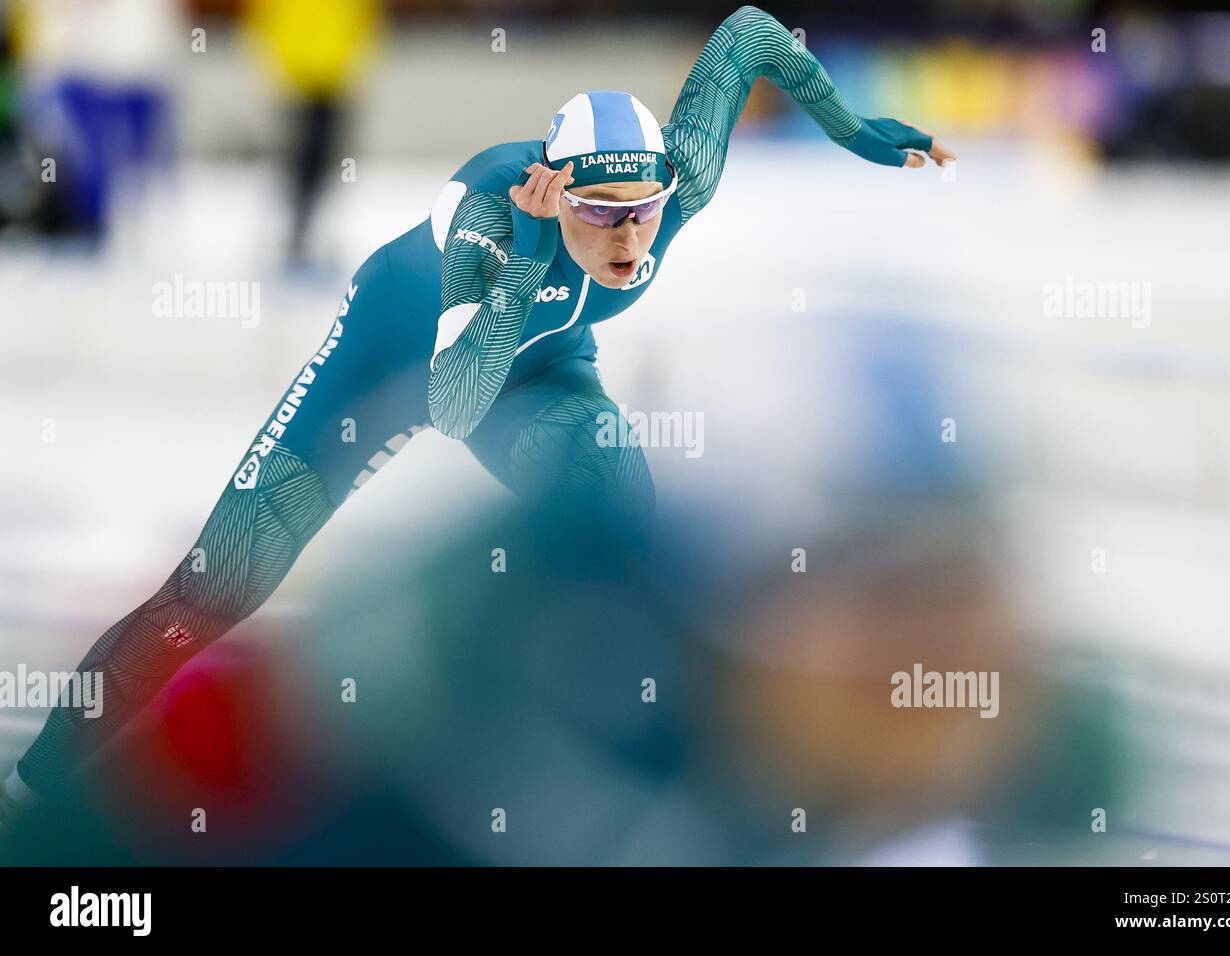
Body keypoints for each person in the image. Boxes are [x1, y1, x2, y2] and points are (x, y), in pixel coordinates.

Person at [0, 5, 954, 831]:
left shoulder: (681, 176)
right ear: (554, 192)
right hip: (396, 358)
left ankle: (633, 768)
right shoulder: (494, 218)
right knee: (213, 594)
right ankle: (36, 789)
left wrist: (855, 128)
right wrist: (534, 262)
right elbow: (453, 404)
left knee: (622, 504)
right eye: (599, 212)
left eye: (645, 211)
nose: (628, 237)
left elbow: (749, 33)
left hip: (542, 369)